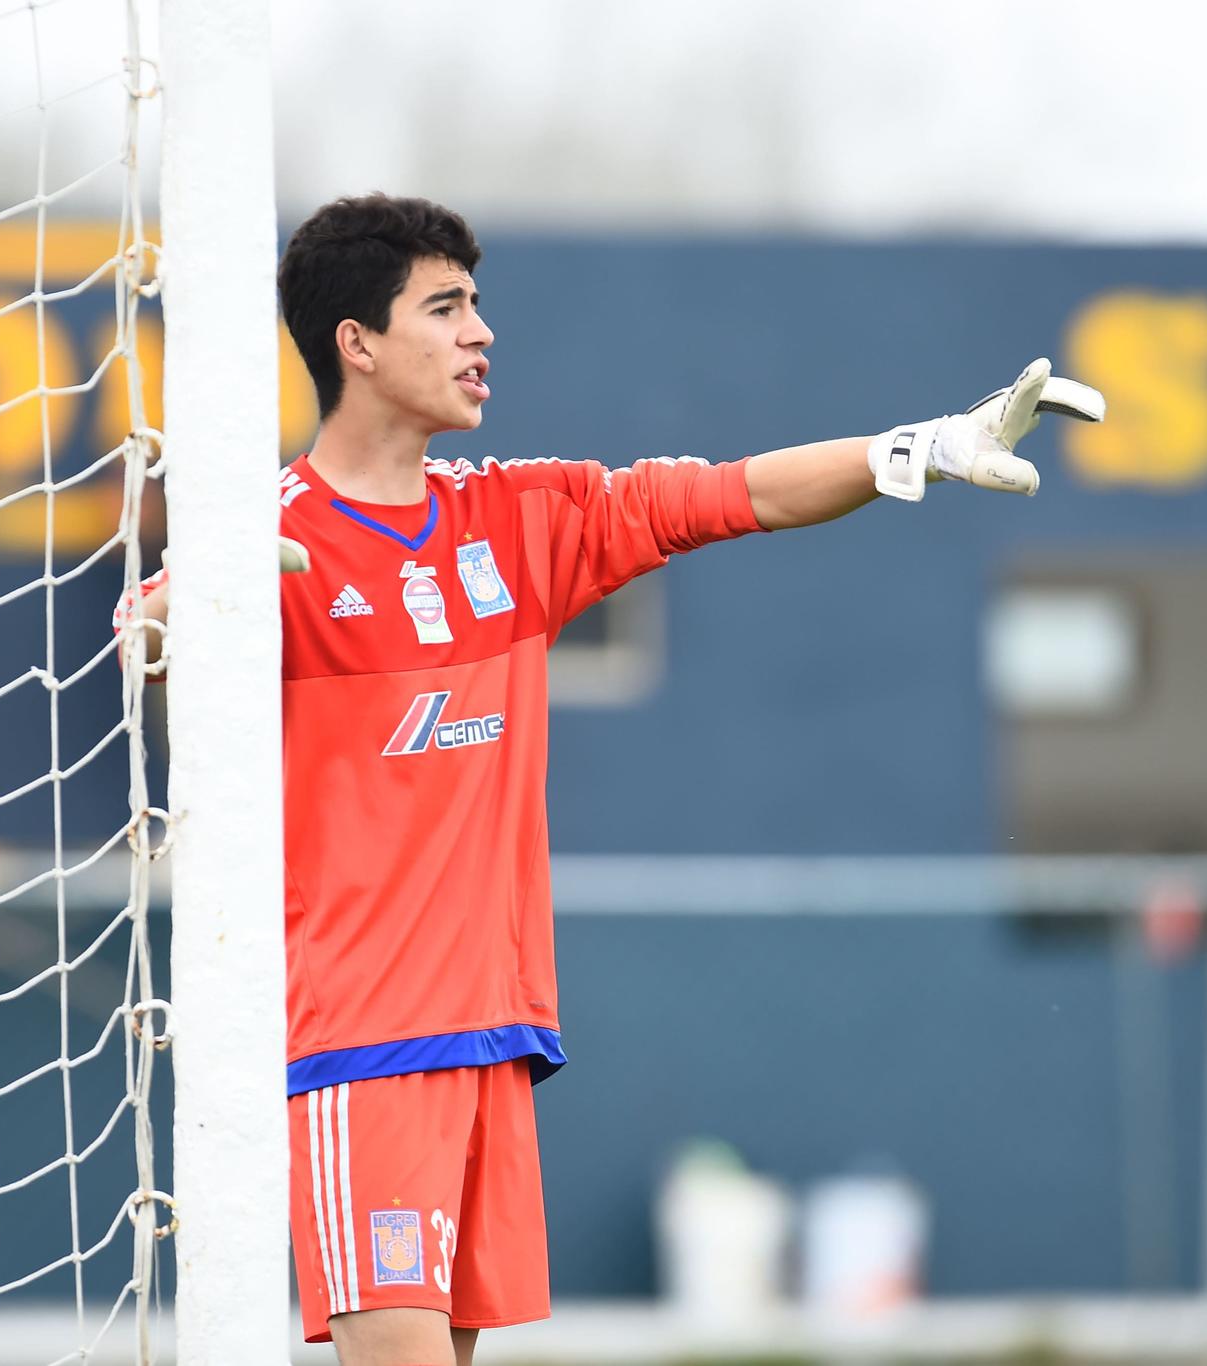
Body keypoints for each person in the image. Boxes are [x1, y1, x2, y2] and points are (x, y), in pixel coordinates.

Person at [116, 194, 1102, 1365]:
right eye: (445, 307)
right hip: (358, 1043)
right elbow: (148, 644)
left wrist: (923, 448)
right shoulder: (265, 539)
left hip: (492, 1036)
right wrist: (194, 610)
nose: (481, 331)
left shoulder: (513, 519)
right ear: (357, 343)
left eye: (478, 304)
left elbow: (733, 494)